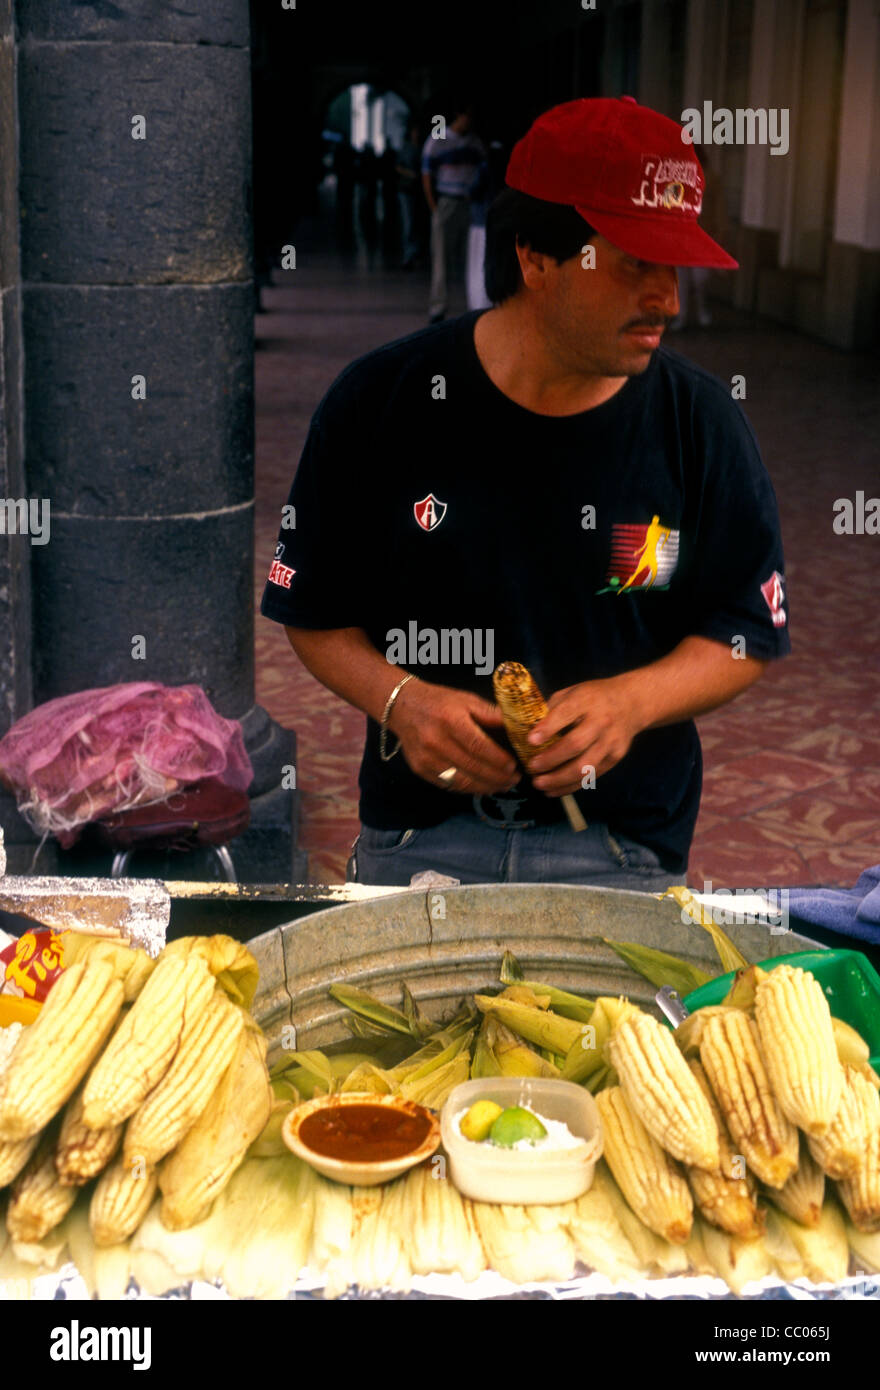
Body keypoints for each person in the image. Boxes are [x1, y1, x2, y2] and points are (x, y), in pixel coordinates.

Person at [261, 96, 791, 891]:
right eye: (633, 264)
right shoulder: (383, 400)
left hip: (622, 848)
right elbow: (312, 610)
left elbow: (748, 628)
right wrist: (401, 699)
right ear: (537, 259)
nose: (669, 300)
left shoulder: (699, 422)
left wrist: (632, 702)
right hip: (418, 838)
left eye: (675, 266)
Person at [421, 101, 486, 322]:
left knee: (472, 257)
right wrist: (434, 207)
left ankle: (473, 305)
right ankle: (438, 307)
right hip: (447, 201)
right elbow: (427, 172)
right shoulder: (439, 137)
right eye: (468, 116)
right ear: (458, 115)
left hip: (469, 203)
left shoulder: (474, 142)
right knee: (441, 258)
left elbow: (483, 169)